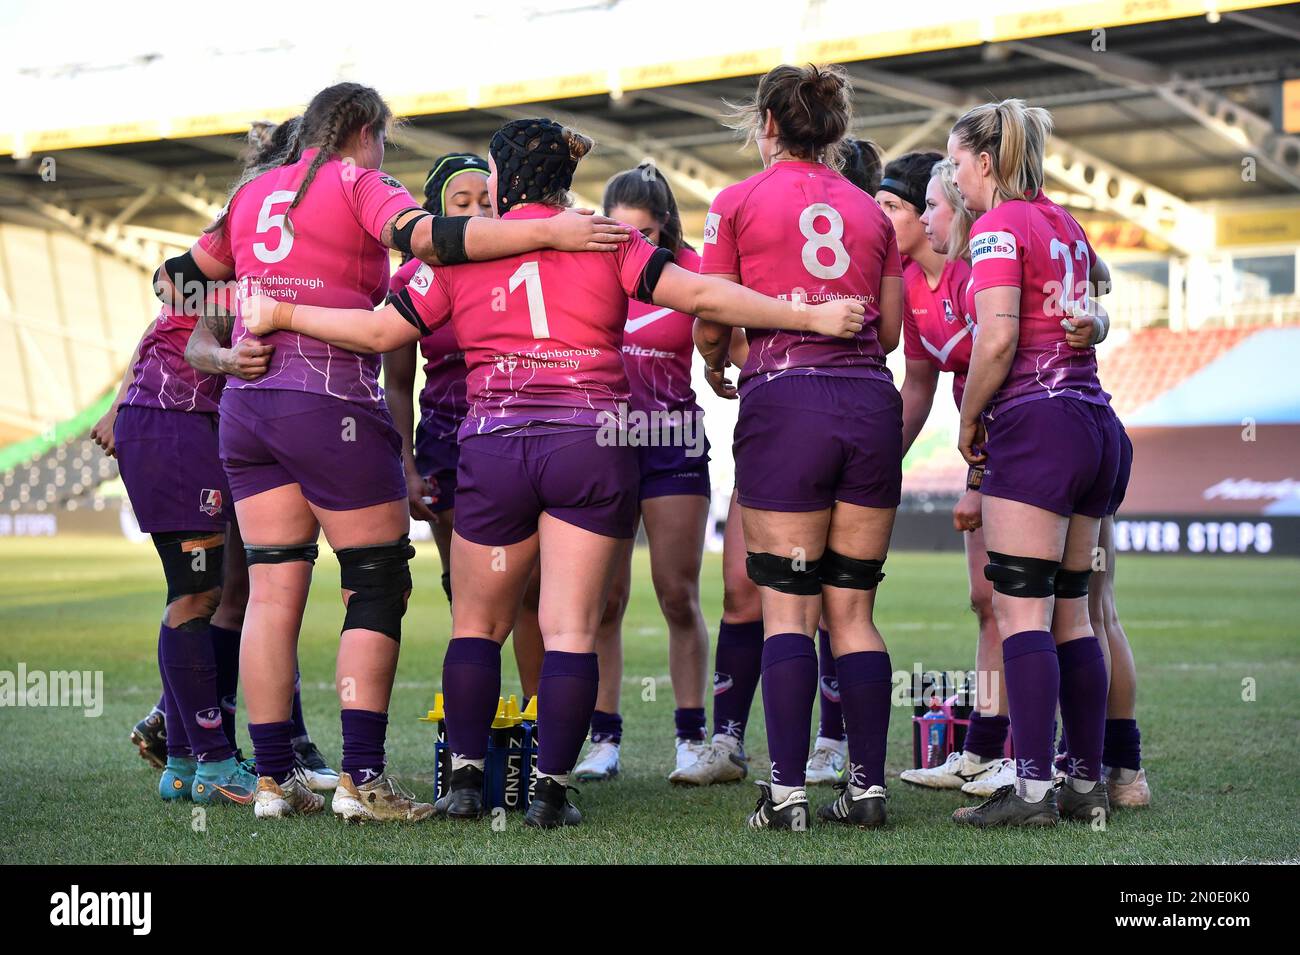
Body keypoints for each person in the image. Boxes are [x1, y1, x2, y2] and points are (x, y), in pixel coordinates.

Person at [238, 116, 866, 828]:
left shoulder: (461, 254)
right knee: (570, 627)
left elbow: (381, 332)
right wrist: (807, 317)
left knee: (477, 622)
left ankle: (468, 782)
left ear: (502, 182)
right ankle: (549, 791)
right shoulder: (607, 239)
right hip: (589, 446)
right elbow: (705, 299)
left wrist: (283, 308)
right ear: (565, 179)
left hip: (495, 446)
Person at [152, 83, 633, 823]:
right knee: (374, 583)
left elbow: (173, 280)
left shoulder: (250, 195)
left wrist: (222, 352)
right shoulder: (359, 181)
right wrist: (549, 232)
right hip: (331, 402)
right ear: (364, 131)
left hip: (248, 412)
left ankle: (275, 782)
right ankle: (362, 780)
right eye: (382, 138)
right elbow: (434, 240)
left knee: (273, 591)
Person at [693, 63, 905, 830]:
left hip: (786, 398)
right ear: (835, 132)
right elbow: (887, 333)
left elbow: (713, 313)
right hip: (868, 402)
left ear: (770, 126)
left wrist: (715, 357)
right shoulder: (872, 211)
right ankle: (869, 787)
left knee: (788, 610)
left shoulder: (737, 201)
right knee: (853, 609)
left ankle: (785, 796)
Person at [946, 98, 1120, 828]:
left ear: (985, 161)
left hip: (1039, 425)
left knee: (1023, 614)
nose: (953, 179)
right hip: (1097, 426)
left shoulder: (996, 227)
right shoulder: (1067, 224)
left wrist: (967, 419)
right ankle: (1086, 783)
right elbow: (1094, 308)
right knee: (1073, 615)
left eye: (956, 163)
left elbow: (996, 341)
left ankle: (1032, 790)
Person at [383, 153, 545, 700]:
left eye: (486, 200)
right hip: (448, 443)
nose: (478, 212)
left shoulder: (516, 261)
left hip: (515, 435)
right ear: (436, 212)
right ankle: (472, 737)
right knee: (469, 595)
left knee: (528, 589)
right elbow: (397, 384)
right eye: (462, 203)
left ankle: (538, 729)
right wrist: (404, 466)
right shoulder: (410, 278)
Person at [571, 163, 714, 784]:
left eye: (647, 233)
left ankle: (690, 738)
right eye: (622, 231)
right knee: (605, 601)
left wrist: (724, 367)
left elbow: (724, 334)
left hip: (673, 443)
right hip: (605, 444)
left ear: (666, 229)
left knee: (677, 595)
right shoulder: (590, 267)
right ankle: (603, 740)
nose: (634, 244)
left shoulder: (693, 270)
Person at [877, 153, 1012, 793]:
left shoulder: (970, 270)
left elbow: (1005, 368)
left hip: (1018, 449)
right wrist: (881, 464)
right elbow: (919, 385)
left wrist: (978, 482)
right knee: (987, 602)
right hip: (982, 451)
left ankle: (1073, 758)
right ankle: (983, 751)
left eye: (896, 207)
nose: (882, 218)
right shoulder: (905, 281)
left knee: (1053, 610)